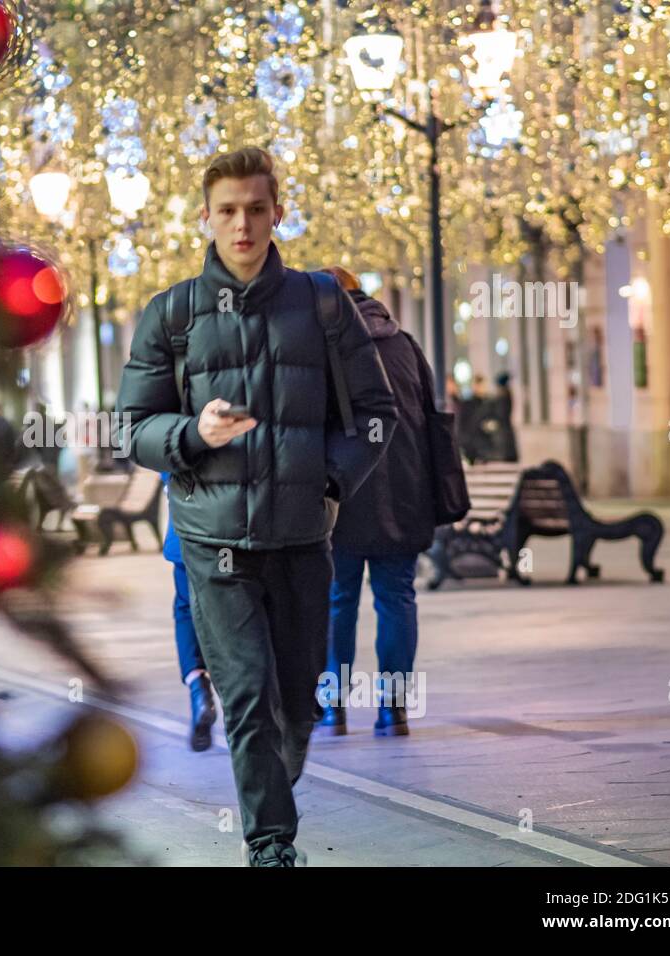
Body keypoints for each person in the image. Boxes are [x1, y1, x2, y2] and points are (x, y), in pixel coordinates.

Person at [116, 146, 396, 866]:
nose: (242, 225)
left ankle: (273, 787)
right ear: (205, 218)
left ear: (278, 213)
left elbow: (374, 410)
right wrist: (192, 433)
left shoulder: (323, 303)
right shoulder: (171, 314)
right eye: (228, 211)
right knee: (245, 701)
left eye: (256, 209)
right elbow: (132, 428)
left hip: (302, 537)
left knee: (298, 703)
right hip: (215, 544)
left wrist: (329, 482)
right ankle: (271, 846)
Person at [315, 266, 437, 739]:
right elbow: (431, 422)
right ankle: (394, 709)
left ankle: (334, 708)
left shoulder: (327, 349)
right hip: (405, 495)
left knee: (337, 600)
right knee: (397, 598)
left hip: (342, 493)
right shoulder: (404, 344)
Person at [160, 472, 217, 752]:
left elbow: (156, 449)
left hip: (185, 529)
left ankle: (198, 690)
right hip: (232, 532)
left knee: (185, 608)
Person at [486, 372, 519, 462]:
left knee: (504, 451)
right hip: (505, 428)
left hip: (503, 429)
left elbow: (501, 413)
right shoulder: (506, 395)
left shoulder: (503, 396)